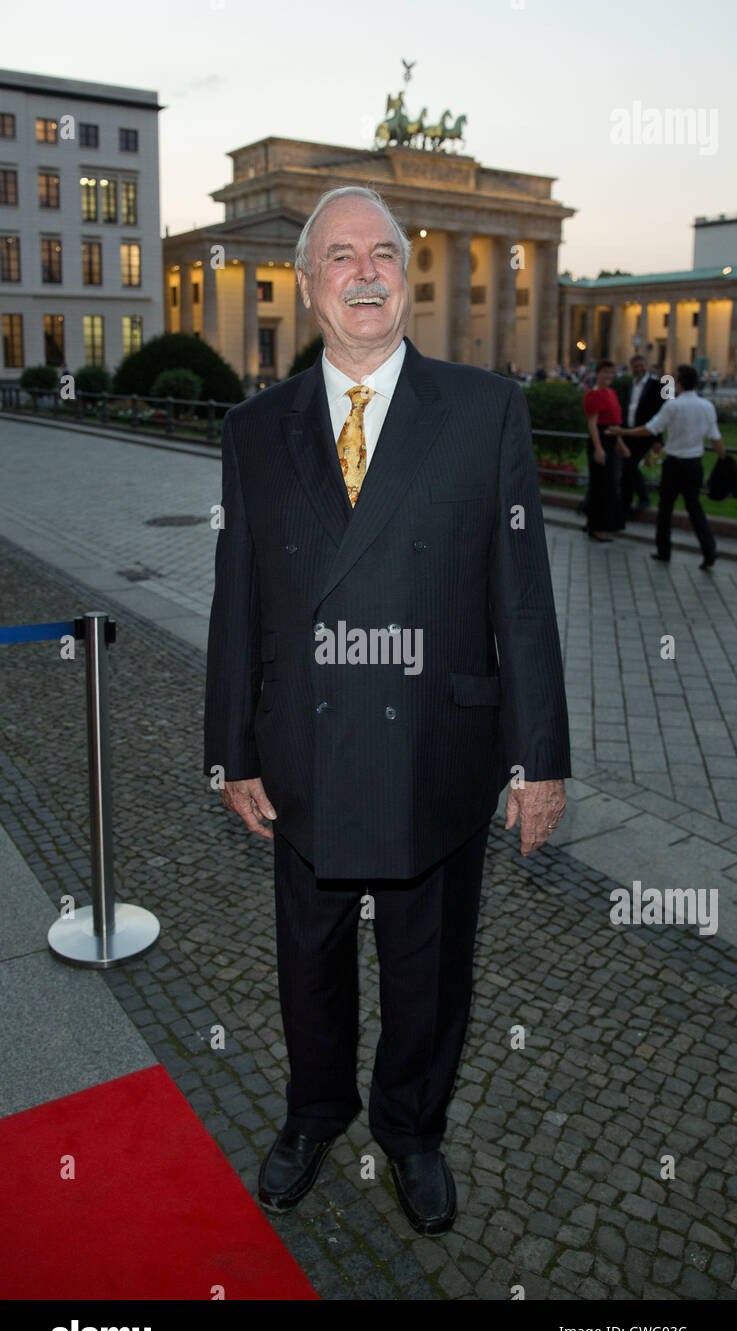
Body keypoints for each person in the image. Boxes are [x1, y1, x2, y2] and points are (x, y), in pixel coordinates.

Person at [203, 185, 570, 1237]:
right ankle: (315, 1110)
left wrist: (536, 759)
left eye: (383, 254)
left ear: (403, 275)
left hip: (438, 756)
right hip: (304, 752)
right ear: (309, 285)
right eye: (340, 258)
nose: (365, 273)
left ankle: (410, 1127)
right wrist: (230, 749)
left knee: (427, 964)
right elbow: (239, 600)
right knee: (309, 959)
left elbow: (523, 598)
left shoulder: (483, 408)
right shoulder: (255, 427)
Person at [606, 362, 725, 569]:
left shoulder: (673, 405)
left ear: (678, 383)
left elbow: (650, 429)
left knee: (665, 509)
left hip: (674, 463)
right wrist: (724, 458)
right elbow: (715, 438)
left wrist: (622, 432)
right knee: (695, 508)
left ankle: (664, 551)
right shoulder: (706, 406)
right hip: (694, 464)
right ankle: (709, 549)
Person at [582, 359, 631, 541]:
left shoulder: (611, 393)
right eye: (605, 372)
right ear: (598, 373)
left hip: (611, 438)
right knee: (600, 486)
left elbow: (614, 424)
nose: (609, 376)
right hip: (600, 440)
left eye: (612, 372)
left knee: (609, 485)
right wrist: (598, 449)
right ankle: (596, 528)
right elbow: (593, 424)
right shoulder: (593, 395)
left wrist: (620, 444)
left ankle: (601, 524)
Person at [620, 355, 662, 516]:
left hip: (645, 433)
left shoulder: (656, 385)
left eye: (641, 365)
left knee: (631, 466)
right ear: (632, 368)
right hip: (627, 432)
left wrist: (658, 439)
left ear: (646, 366)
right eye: (635, 366)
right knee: (626, 470)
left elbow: (660, 413)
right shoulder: (629, 385)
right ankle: (626, 505)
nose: (639, 368)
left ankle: (644, 498)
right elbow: (627, 407)